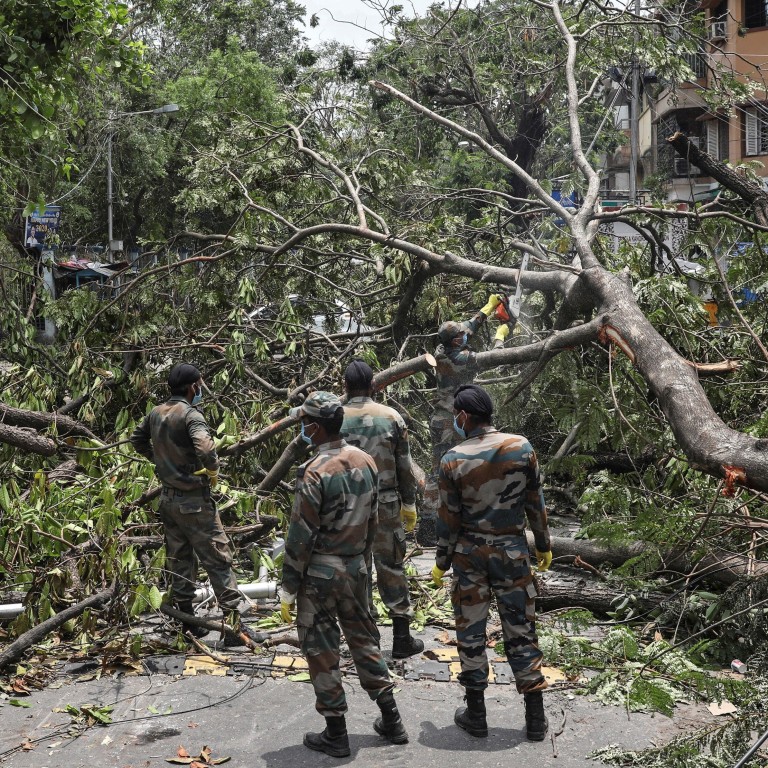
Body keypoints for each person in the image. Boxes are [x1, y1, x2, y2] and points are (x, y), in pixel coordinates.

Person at [280, 391, 407, 757]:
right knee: (365, 640)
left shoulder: (315, 471)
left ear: (315, 428)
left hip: (320, 572)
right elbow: (373, 518)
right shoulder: (365, 460)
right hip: (356, 567)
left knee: (321, 650)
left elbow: (301, 534)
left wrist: (288, 587)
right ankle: (392, 720)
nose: (302, 427)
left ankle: (336, 732)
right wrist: (362, 560)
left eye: (304, 422)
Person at [431, 384, 552, 741]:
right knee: (521, 629)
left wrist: (441, 561)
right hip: (513, 552)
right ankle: (535, 719)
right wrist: (543, 545)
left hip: (469, 558)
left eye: (456, 415)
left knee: (470, 632)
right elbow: (535, 503)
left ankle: (476, 714)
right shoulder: (521, 447)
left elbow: (448, 519)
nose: (456, 420)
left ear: (464, 417)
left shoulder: (452, 458)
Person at [130, 363, 254, 643]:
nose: (201, 388)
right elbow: (207, 449)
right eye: (200, 384)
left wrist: (160, 461)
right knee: (219, 560)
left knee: (180, 562)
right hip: (195, 503)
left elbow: (136, 440)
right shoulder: (190, 414)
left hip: (168, 501)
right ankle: (236, 628)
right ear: (192, 387)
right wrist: (212, 471)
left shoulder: (155, 413)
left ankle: (183, 624)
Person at [340, 359, 423, 658]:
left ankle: (366, 641)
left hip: (347, 506)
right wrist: (410, 504)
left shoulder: (333, 418)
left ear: (345, 386)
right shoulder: (392, 417)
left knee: (356, 569)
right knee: (391, 566)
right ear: (374, 385)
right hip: (386, 503)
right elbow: (404, 467)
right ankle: (401, 638)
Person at [418, 294, 508, 546]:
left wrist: (490, 307)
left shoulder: (443, 346)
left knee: (440, 469)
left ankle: (439, 523)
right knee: (451, 470)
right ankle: (432, 528)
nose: (465, 334)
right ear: (456, 340)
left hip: (443, 418)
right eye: (461, 334)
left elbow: (470, 325)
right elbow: (492, 358)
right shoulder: (457, 360)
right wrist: (500, 337)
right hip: (453, 422)